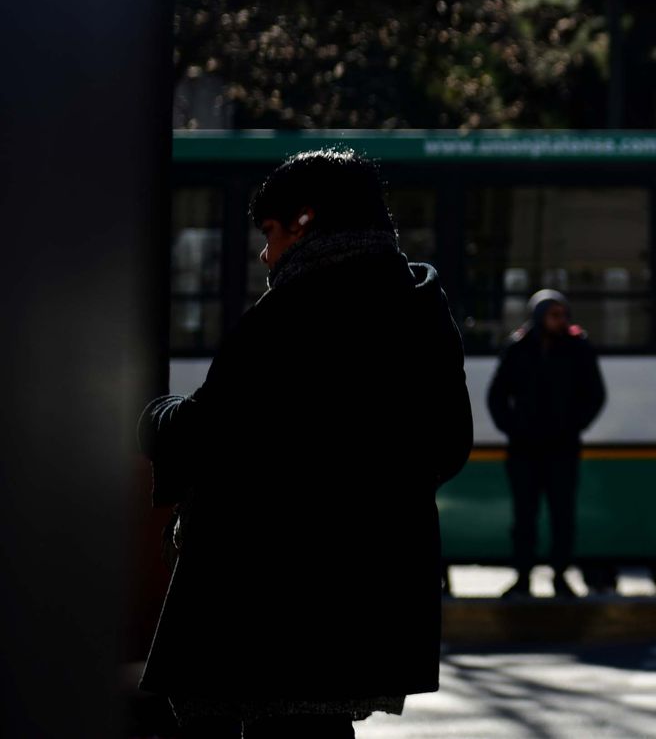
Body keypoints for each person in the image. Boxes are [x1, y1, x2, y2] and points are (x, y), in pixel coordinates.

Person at [138, 149, 474, 738]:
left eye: (270, 232)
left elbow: (210, 432)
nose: (266, 254)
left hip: (272, 598)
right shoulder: (420, 307)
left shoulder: (293, 311)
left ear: (305, 220)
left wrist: (157, 418)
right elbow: (448, 443)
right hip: (366, 594)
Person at [488, 289, 606, 599]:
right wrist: (513, 427)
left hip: (562, 448)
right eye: (554, 315)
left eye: (563, 314)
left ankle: (559, 576)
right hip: (524, 449)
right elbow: (497, 395)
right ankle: (523, 577)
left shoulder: (578, 348)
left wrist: (571, 426)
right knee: (524, 516)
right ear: (539, 316)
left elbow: (595, 395)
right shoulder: (518, 347)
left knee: (561, 515)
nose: (561, 321)